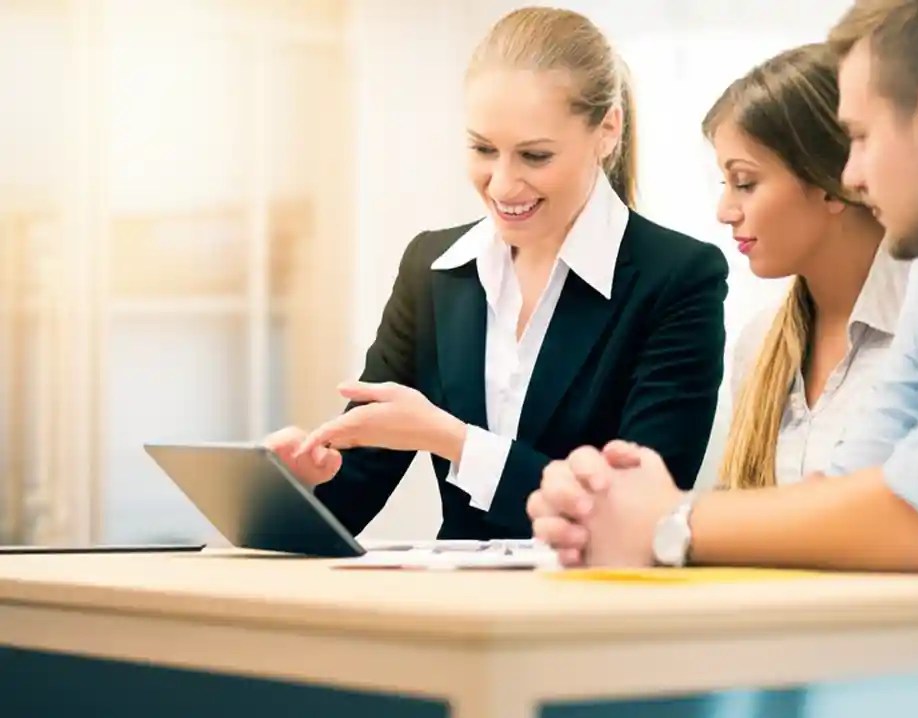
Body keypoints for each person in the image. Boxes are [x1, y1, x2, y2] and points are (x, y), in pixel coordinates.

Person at [527, 0, 918, 573]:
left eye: (858, 137)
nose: (852, 175)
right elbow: (849, 480)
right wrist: (621, 507)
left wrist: (671, 522)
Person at [265, 7, 728, 541]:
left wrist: (457, 442)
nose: (503, 185)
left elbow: (639, 514)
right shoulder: (433, 270)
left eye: (534, 156)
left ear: (607, 129)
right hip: (456, 615)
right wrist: (294, 485)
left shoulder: (678, 278)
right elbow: (346, 502)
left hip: (591, 613)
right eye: (483, 149)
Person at [706, 44, 909, 490]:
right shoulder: (759, 347)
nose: (725, 211)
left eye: (745, 183)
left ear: (834, 182)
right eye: (727, 184)